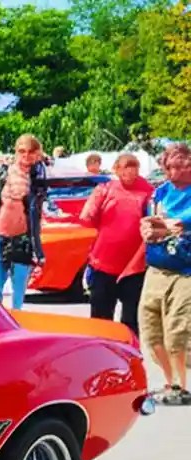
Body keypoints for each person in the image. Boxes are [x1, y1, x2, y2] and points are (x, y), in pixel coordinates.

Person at [138, 142, 191, 405]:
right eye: (169, 165)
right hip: (157, 267)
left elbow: (179, 224)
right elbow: (150, 224)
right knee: (150, 329)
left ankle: (182, 385)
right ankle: (170, 381)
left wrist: (164, 227)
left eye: (180, 164)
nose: (173, 170)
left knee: (177, 330)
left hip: (186, 271)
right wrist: (149, 229)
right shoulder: (159, 194)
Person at [0, 134, 48, 310]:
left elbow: (37, 214)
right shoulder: (4, 172)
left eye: (30, 152)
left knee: (18, 296)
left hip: (23, 240)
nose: (26, 156)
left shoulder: (38, 177)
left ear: (37, 154)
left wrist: (38, 250)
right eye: (22, 151)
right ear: (16, 152)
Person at [79, 153, 153, 336]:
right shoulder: (106, 188)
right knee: (100, 321)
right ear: (116, 169)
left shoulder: (148, 192)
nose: (131, 170)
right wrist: (95, 200)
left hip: (133, 268)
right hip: (102, 264)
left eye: (135, 166)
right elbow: (87, 218)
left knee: (130, 322)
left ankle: (129, 358)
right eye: (126, 166)